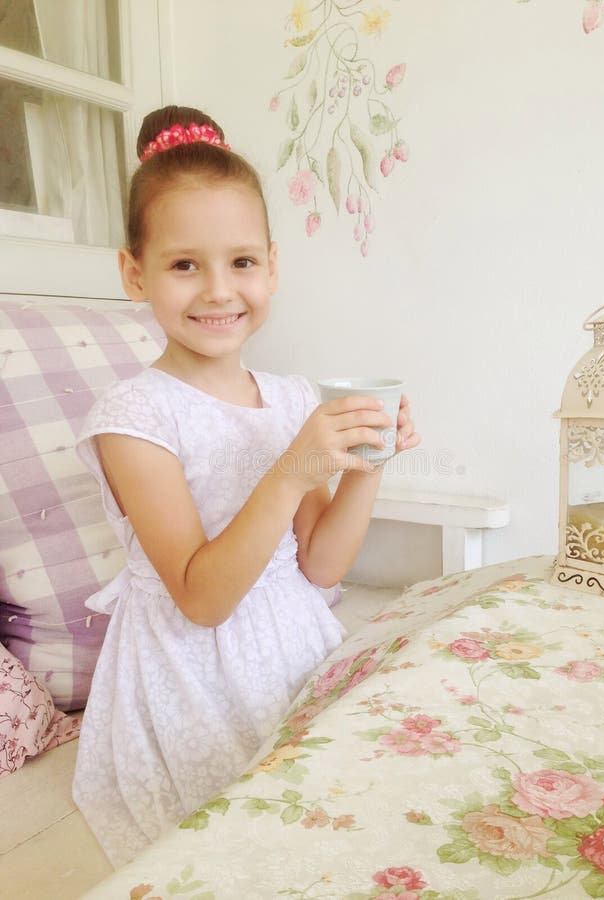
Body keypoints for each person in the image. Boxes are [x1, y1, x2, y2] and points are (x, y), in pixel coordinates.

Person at [72, 104, 420, 867]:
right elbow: (202, 599)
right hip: (192, 675)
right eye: (183, 265)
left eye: (240, 262)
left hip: (293, 642)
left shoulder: (292, 397)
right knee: (245, 847)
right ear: (134, 272)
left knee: (337, 817)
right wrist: (294, 468)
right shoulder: (133, 416)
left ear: (271, 265)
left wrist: (366, 465)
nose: (217, 290)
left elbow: (321, 566)